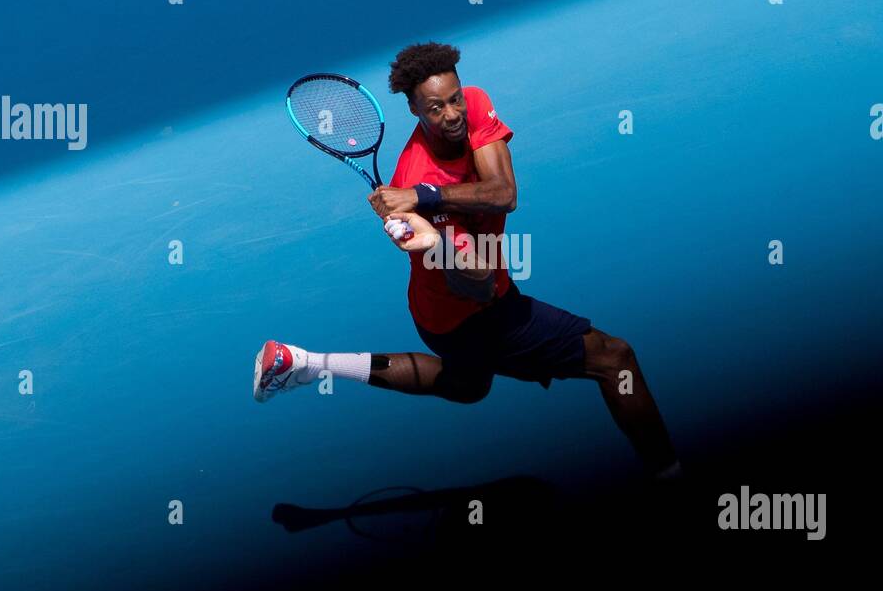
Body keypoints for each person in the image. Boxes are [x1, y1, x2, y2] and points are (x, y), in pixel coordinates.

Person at [256, 41, 681, 481]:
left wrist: (423, 199)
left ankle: (305, 363)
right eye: (435, 108)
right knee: (614, 358)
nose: (453, 113)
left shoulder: (469, 111)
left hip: (439, 311)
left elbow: (503, 193)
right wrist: (430, 238)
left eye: (454, 98)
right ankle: (671, 477)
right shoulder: (414, 173)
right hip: (469, 312)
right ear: (415, 112)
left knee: (466, 386)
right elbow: (477, 282)